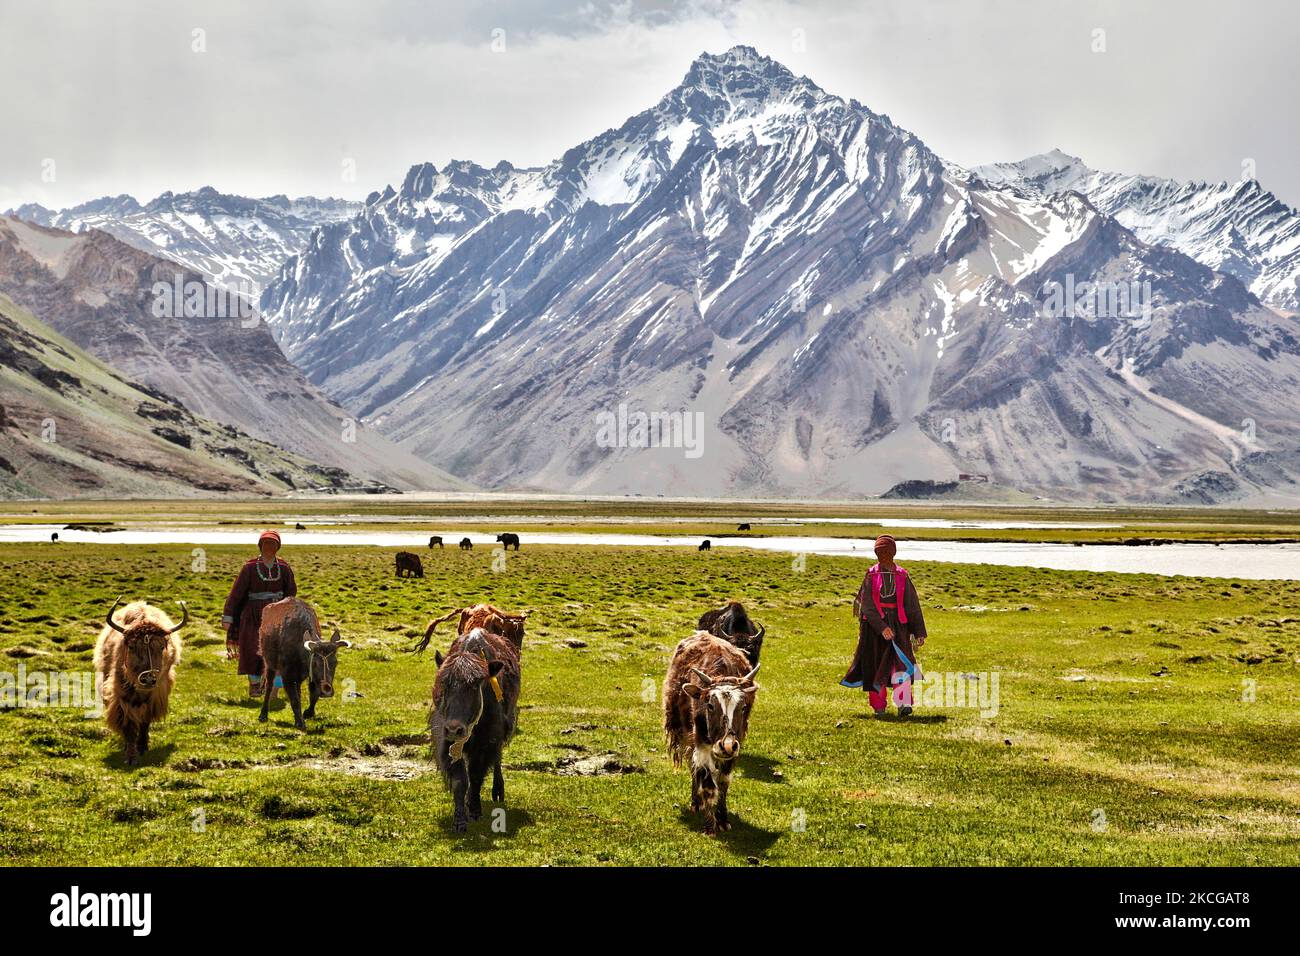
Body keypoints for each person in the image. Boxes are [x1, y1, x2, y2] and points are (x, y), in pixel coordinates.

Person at [841, 534, 927, 717]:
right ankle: (878, 707)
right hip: (873, 630)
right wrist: (881, 627)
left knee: (900, 665)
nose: (883, 555)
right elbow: (867, 606)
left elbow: (912, 605)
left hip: (899, 627)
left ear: (893, 553)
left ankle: (904, 704)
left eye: (887, 551)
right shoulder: (871, 575)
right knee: (875, 666)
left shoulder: (903, 576)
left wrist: (919, 631)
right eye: (880, 552)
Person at [222, 530, 297, 698]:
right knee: (252, 650)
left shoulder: (284, 568)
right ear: (260, 546)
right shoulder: (249, 567)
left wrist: (289, 612)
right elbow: (236, 593)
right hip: (252, 616)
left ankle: (274, 690)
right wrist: (228, 616)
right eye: (266, 544)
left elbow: (291, 592)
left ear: (278, 547)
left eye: (273, 544)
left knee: (279, 652)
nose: (269, 547)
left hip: (277, 615)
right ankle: (255, 686)